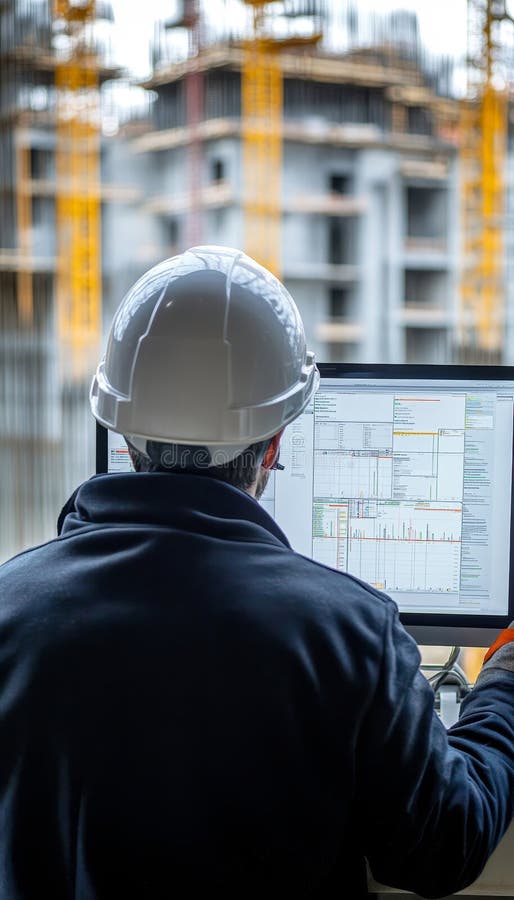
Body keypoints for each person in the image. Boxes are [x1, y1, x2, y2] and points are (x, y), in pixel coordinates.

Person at [0, 245, 514, 900]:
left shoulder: (10, 610)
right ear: (273, 444)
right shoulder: (348, 635)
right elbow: (446, 847)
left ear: (123, 435)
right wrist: (501, 684)